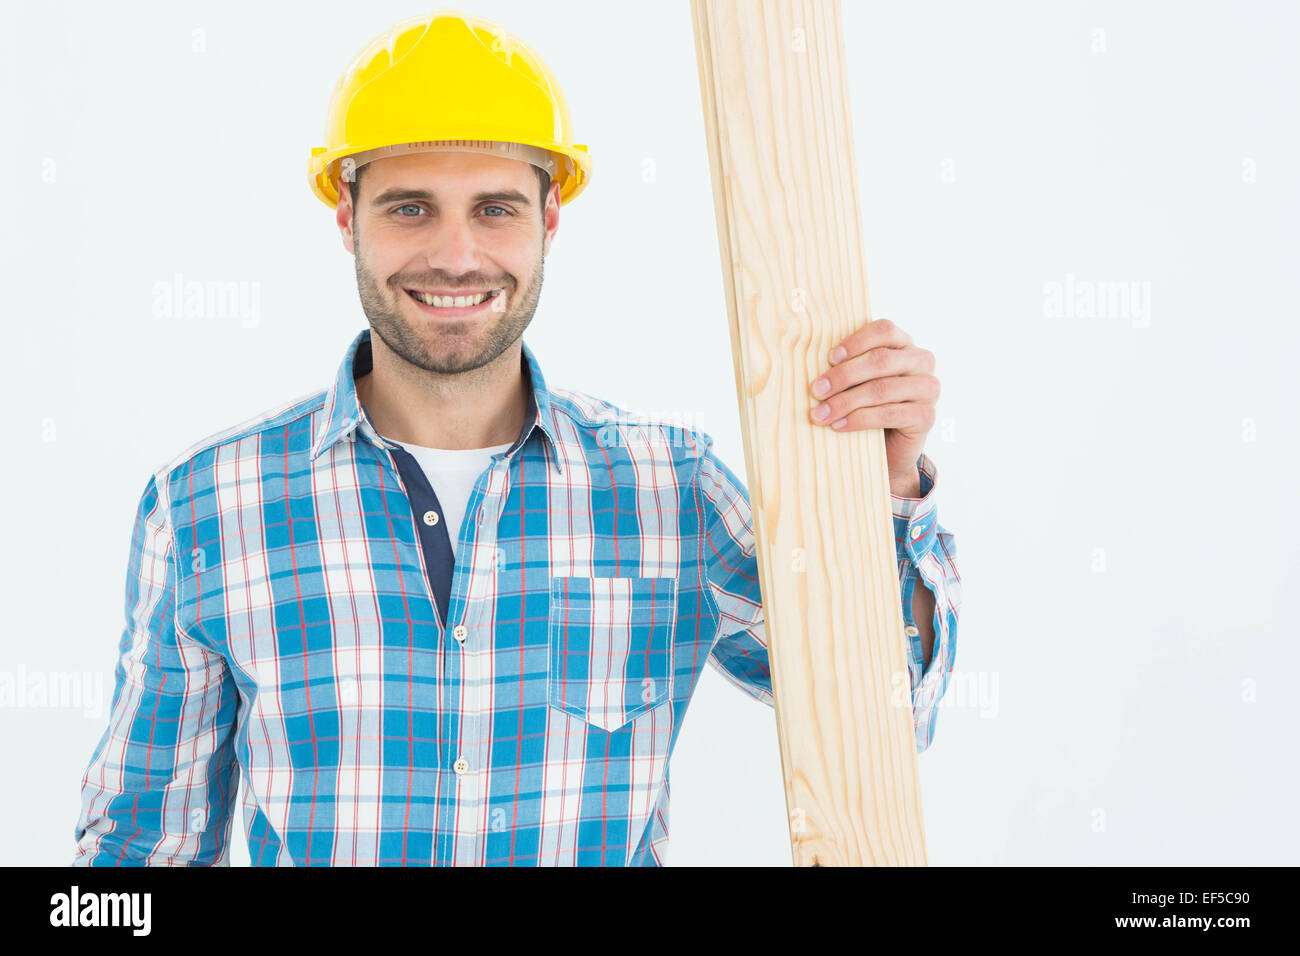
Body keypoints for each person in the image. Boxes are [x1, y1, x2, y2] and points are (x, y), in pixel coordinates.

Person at [72, 10, 961, 867]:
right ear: (346, 218)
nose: (456, 256)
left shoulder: (671, 490)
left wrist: (880, 488)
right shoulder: (204, 510)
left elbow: (884, 714)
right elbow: (141, 852)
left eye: (495, 209)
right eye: (411, 209)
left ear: (551, 220)